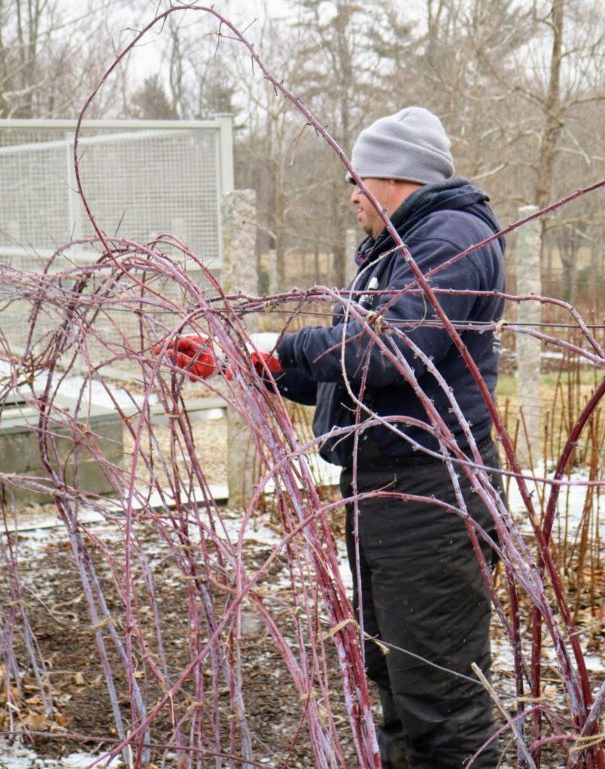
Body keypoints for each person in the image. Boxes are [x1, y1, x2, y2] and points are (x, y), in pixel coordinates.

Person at [162, 106, 506, 768]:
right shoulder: (392, 253)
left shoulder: (451, 237)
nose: (351, 193)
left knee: (440, 694)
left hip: (432, 495)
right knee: (397, 679)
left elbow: (390, 349)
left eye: (360, 177)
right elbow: (351, 374)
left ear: (397, 177)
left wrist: (278, 342)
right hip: (383, 491)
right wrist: (242, 362)